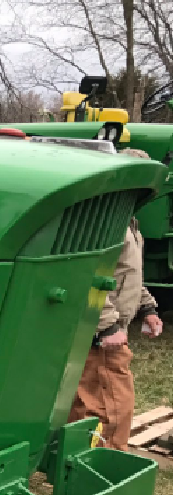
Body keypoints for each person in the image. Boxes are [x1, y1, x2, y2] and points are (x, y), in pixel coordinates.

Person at [68, 148, 164, 450]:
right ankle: (109, 458)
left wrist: (148, 306)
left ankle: (79, 454)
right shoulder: (103, 222)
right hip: (100, 330)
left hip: (110, 326)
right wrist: (107, 326)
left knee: (88, 396)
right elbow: (87, 274)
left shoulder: (129, 222)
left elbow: (129, 272)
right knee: (112, 400)